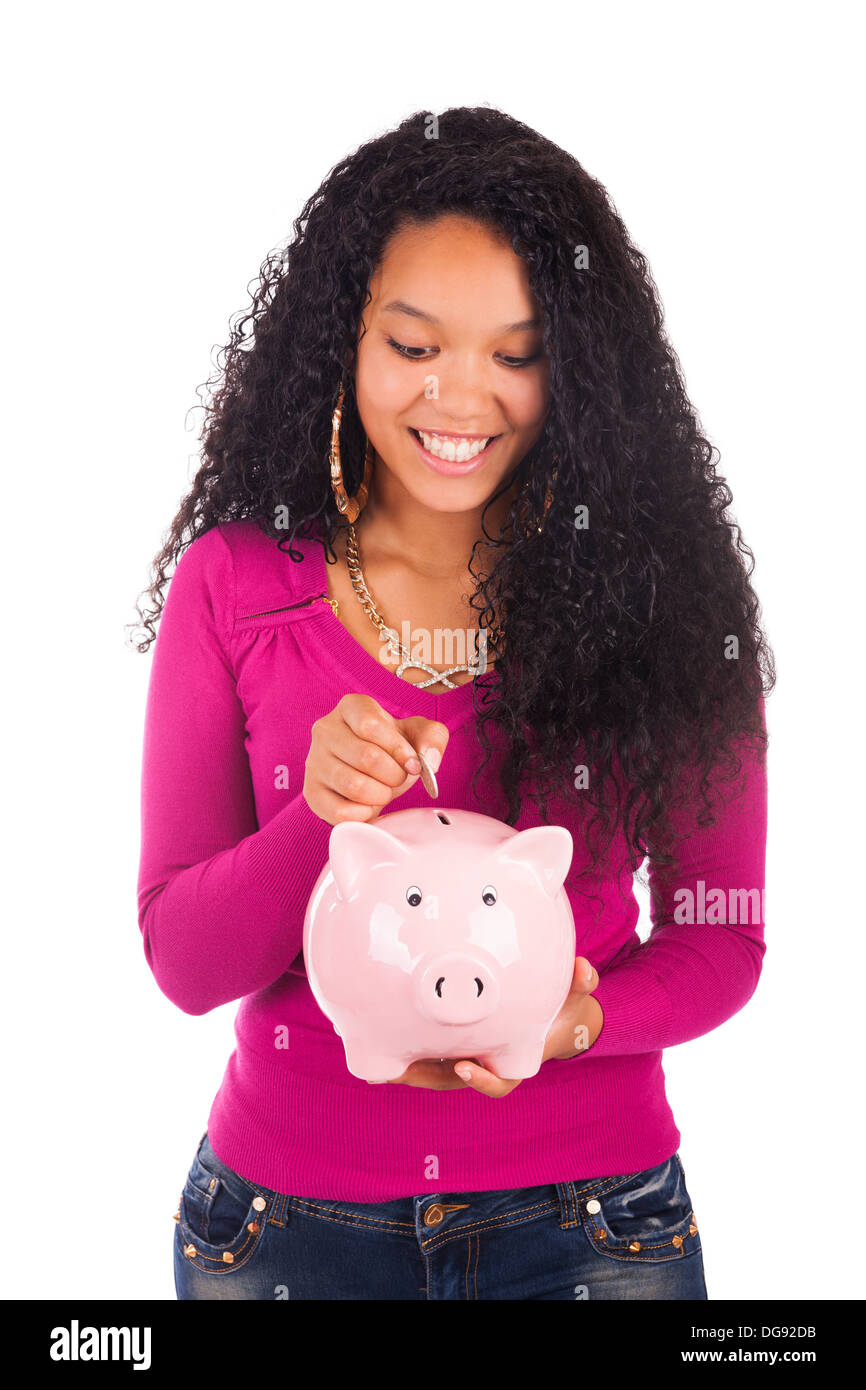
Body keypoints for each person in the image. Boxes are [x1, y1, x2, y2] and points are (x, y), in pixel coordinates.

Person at [132, 105, 772, 1301]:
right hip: (281, 1232)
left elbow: (720, 936)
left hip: (592, 1229)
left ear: (576, 368)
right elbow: (181, 957)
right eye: (413, 344)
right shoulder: (236, 582)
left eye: (515, 353)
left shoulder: (665, 596)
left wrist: (572, 1022)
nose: (459, 397)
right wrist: (325, 819)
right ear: (342, 341)